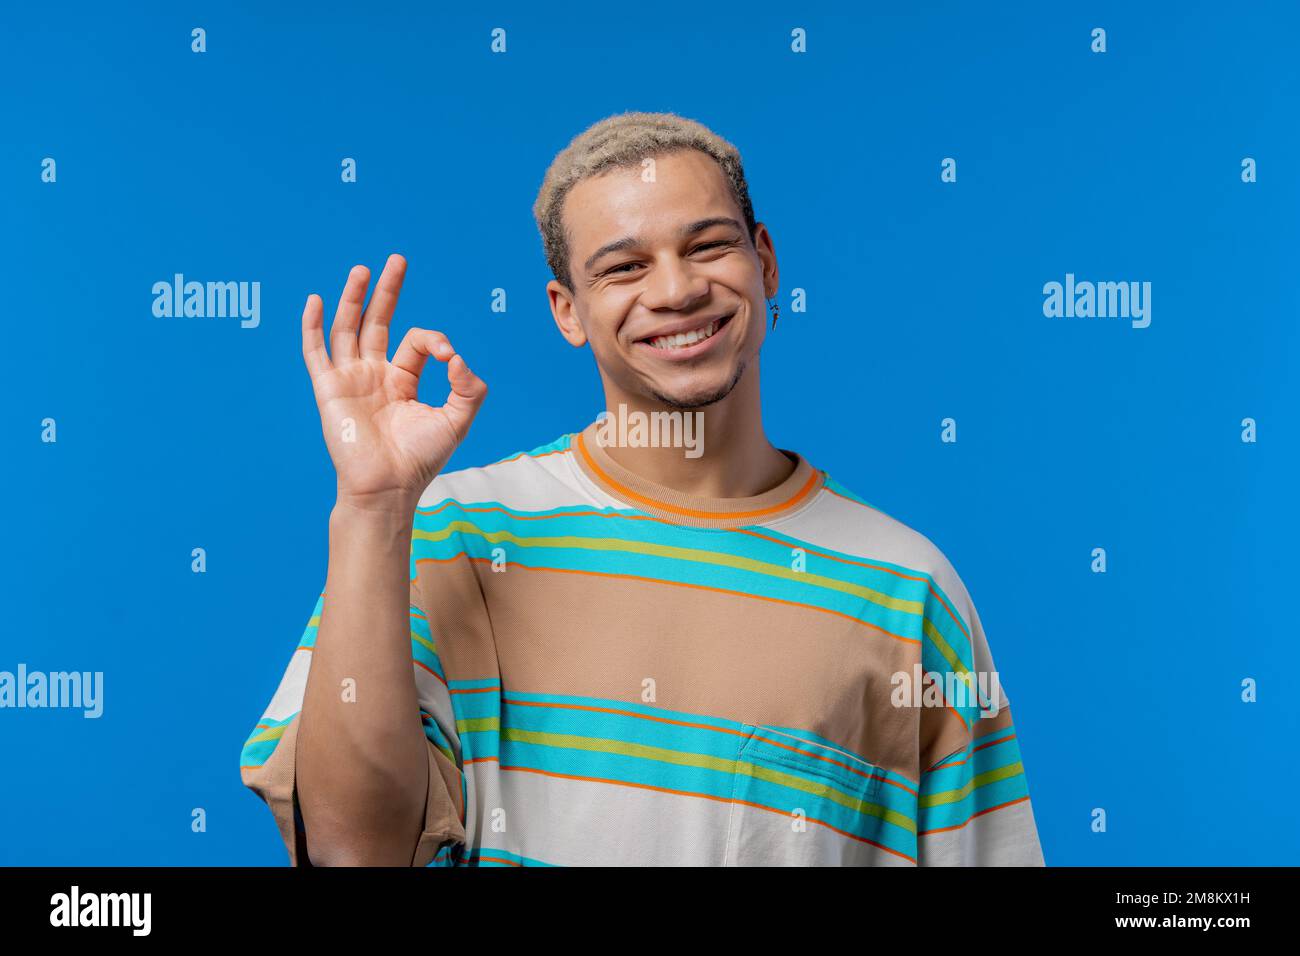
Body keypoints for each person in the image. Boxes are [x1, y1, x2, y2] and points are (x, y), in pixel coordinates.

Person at [239, 111, 1046, 866]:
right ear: (568, 311)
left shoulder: (908, 587)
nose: (675, 290)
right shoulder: (450, 534)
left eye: (707, 247)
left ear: (765, 263)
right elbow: (353, 850)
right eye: (625, 266)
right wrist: (373, 511)